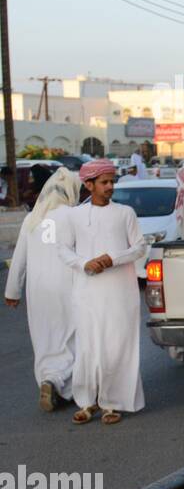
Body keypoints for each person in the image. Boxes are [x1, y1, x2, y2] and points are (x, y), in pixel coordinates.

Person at [56, 160, 148, 425]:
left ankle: (112, 403)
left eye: (112, 181)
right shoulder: (73, 216)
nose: (110, 186)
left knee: (116, 346)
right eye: (104, 182)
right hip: (86, 291)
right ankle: (87, 402)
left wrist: (113, 258)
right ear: (89, 185)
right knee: (88, 347)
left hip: (120, 291)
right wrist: (84, 263)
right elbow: (62, 249)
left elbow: (139, 247)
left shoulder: (125, 212)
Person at [4, 167, 84, 411]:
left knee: (45, 336)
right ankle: (63, 383)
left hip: (38, 289)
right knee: (71, 337)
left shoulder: (32, 219)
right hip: (68, 285)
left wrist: (12, 292)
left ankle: (48, 378)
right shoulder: (74, 216)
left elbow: (19, 259)